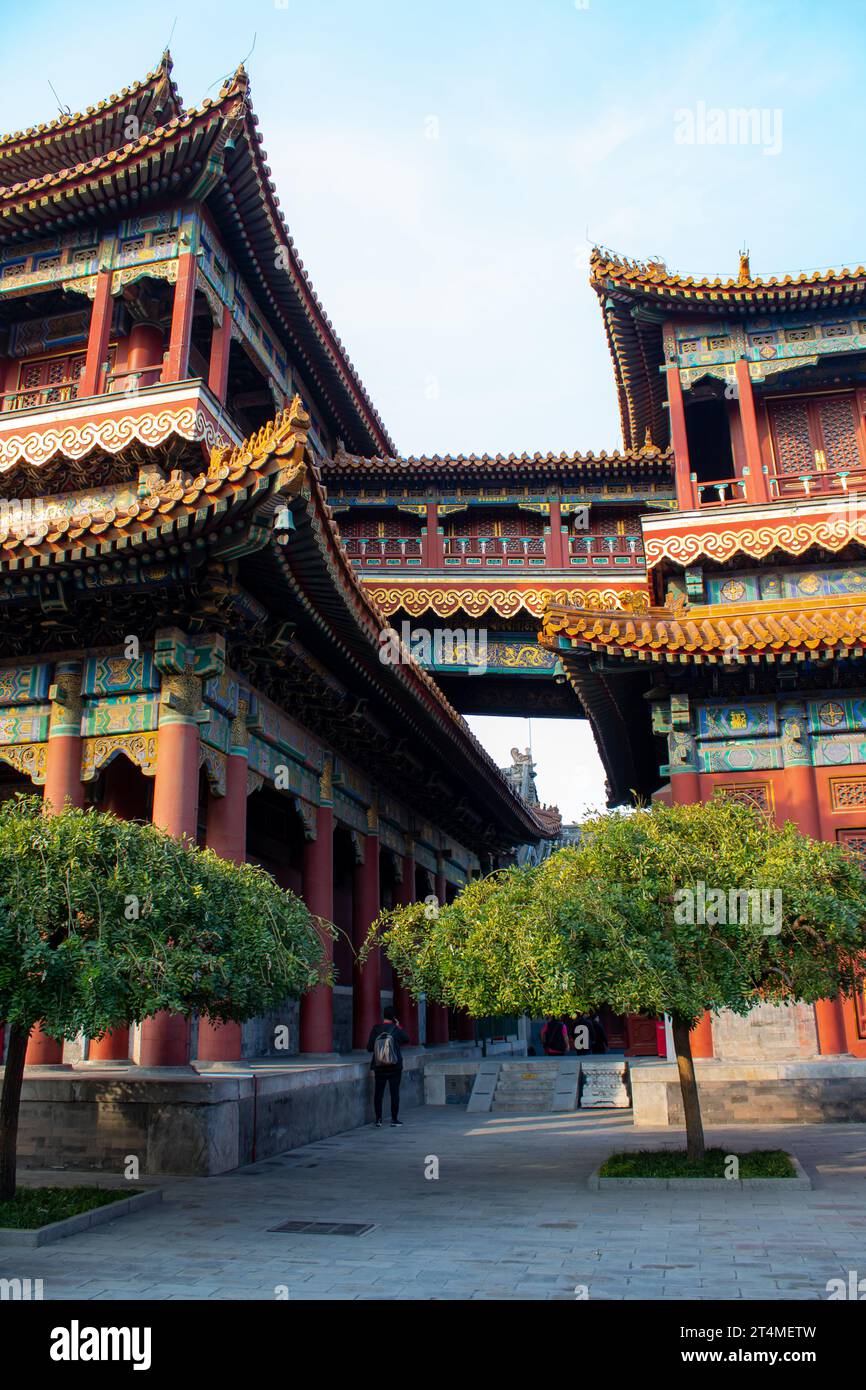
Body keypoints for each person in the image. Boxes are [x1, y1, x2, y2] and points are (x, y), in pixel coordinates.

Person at [366, 1006, 410, 1128]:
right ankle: (394, 1119)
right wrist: (398, 1026)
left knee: (378, 1094)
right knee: (394, 1093)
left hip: (379, 1066)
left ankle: (378, 1120)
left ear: (383, 1016)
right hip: (395, 1066)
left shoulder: (376, 1029)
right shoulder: (395, 1029)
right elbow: (407, 1039)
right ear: (394, 1017)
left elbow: (369, 1048)